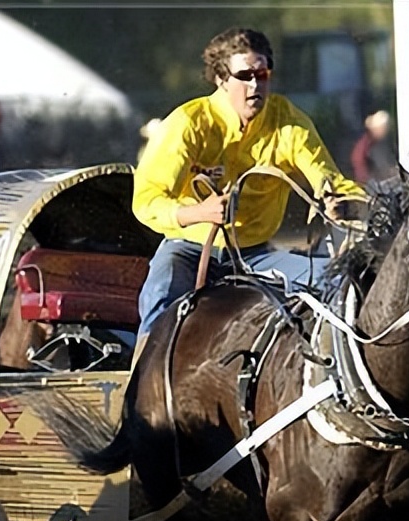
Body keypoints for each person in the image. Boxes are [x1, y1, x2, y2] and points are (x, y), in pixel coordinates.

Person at [132, 27, 366, 339]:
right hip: (188, 249)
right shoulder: (188, 123)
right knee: (160, 294)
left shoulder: (288, 121)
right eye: (244, 76)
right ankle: (141, 381)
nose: (255, 84)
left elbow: (329, 180)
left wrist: (344, 203)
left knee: (337, 282)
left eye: (263, 74)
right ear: (221, 78)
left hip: (256, 255)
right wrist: (199, 213)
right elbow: (146, 201)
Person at [350, 109, 399, 184]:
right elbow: (364, 176)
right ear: (376, 129)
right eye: (384, 128)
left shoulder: (380, 143)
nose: (386, 131)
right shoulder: (365, 148)